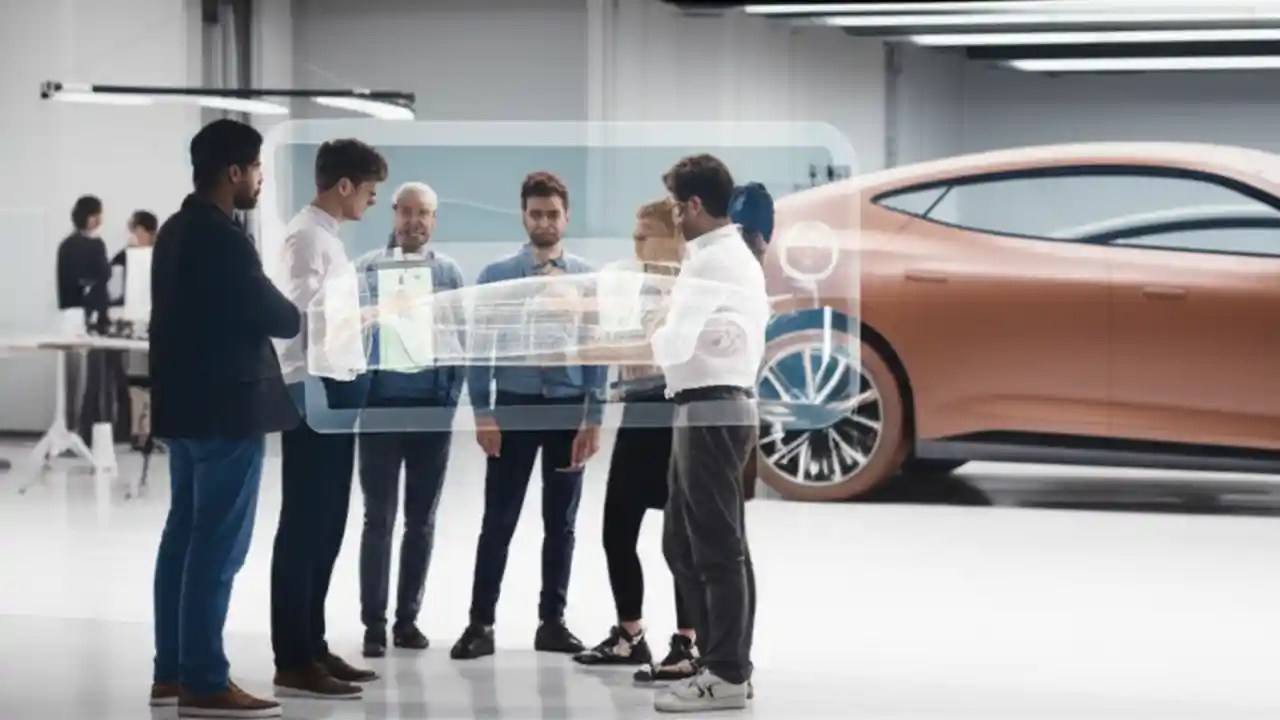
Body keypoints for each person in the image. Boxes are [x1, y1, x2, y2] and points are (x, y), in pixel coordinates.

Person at [149, 118, 300, 718]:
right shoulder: (223, 235)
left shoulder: (173, 230)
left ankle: (171, 672)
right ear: (235, 171)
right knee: (218, 547)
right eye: (258, 168)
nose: (260, 179)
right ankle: (206, 681)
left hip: (185, 410)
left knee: (182, 541)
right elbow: (277, 315)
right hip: (227, 412)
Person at [450, 171, 606, 660]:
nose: (544, 221)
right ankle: (480, 624)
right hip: (514, 408)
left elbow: (598, 347)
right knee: (498, 520)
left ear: (567, 217)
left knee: (561, 523)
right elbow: (479, 350)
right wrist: (483, 412)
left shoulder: (586, 278)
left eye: (552, 214)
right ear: (524, 215)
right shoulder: (497, 277)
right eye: (536, 213)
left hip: (566, 409)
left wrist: (594, 415)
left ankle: (552, 622)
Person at [650, 154, 768, 713]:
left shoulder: (714, 262)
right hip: (701, 405)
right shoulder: (721, 256)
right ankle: (723, 661)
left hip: (712, 409)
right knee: (683, 540)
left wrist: (654, 330)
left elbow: (672, 345)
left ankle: (726, 673)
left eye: (676, 205)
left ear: (695, 205)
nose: (674, 216)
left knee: (718, 546)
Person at [271, 138, 387, 699]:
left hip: (336, 392)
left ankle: (312, 644)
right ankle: (292, 657)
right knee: (305, 525)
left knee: (329, 524)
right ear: (344, 186)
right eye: (369, 191)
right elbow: (298, 322)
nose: (370, 201)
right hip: (313, 393)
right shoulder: (305, 237)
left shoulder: (329, 240)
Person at [573, 198, 702, 684]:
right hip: (636, 413)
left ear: (674, 236)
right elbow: (614, 340)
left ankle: (687, 641)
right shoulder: (630, 284)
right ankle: (630, 634)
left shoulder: (691, 288)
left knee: (682, 539)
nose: (635, 244)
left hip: (676, 416)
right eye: (633, 233)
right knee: (616, 530)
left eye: (644, 234)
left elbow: (656, 348)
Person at [353, 181, 466, 658]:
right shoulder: (367, 270)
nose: (415, 221)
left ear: (434, 221)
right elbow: (350, 335)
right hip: (380, 408)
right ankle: (373, 624)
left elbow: (462, 342)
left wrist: (450, 402)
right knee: (377, 519)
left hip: (430, 411)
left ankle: (406, 620)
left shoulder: (448, 273)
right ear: (394, 214)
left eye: (425, 213)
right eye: (407, 212)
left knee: (421, 520)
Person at [55, 194, 110, 436]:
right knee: (92, 376)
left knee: (72, 378)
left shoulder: (66, 245)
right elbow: (104, 275)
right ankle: (86, 429)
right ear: (91, 217)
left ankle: (70, 427)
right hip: (88, 317)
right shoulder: (94, 245)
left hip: (70, 315)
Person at [111, 210, 159, 450]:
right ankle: (136, 431)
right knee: (136, 378)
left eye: (135, 229)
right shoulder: (124, 257)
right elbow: (113, 292)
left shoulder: (163, 255)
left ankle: (150, 430)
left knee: (154, 379)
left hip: (159, 325)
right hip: (134, 324)